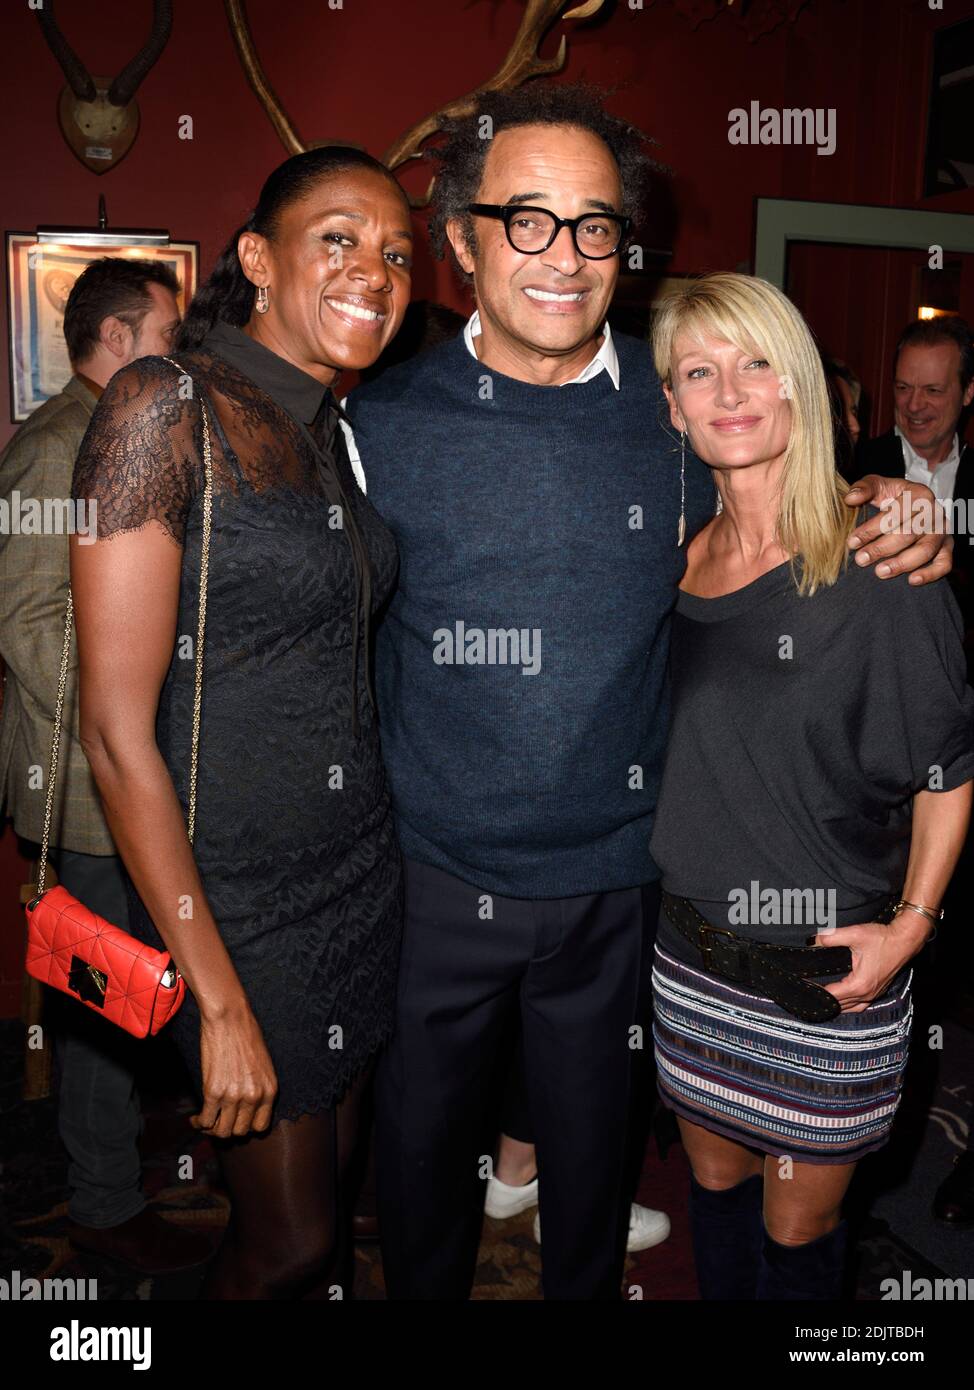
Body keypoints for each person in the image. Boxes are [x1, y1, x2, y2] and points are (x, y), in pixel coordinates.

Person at [339, 83, 952, 1301]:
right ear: (460, 240)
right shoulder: (374, 421)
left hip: (626, 887)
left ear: (625, 245)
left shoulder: (674, 403)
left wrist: (895, 500)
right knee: (414, 1171)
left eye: (595, 226)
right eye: (526, 219)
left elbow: (783, 469)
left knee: (592, 1172)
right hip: (429, 873)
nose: (563, 256)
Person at [68, 146, 411, 1299]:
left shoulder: (330, 430)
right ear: (258, 259)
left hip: (357, 875)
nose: (377, 269)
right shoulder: (159, 403)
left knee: (321, 1212)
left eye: (397, 252)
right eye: (340, 239)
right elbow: (116, 733)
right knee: (292, 1243)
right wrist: (213, 994)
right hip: (234, 903)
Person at [648, 271, 974, 1301]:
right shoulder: (670, 561)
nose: (729, 390)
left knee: (797, 1224)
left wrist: (912, 924)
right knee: (710, 1180)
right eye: (698, 370)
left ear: (799, 386)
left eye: (754, 363)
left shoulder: (880, 558)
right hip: (688, 959)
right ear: (670, 403)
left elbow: (945, 770)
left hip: (827, 978)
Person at [0, 257, 211, 1274]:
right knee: (100, 1005)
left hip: (116, 779)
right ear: (119, 336)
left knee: (136, 992)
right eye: (169, 333)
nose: (183, 354)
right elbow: (30, 624)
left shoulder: (106, 430)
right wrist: (124, 730)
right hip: (86, 790)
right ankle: (104, 1202)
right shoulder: (58, 448)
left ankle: (135, 1161)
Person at [859, 317, 974, 610]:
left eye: (932, 390)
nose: (913, 405)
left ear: (968, 392)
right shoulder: (854, 469)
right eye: (903, 387)